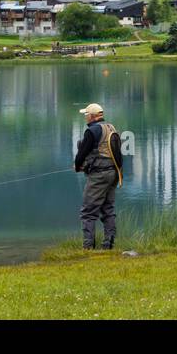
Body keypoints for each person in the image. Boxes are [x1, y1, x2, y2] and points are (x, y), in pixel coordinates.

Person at [73, 103, 122, 250]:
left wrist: (77, 166)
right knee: (108, 209)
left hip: (99, 175)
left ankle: (88, 246)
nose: (85, 117)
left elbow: (82, 153)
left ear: (92, 116)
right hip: (113, 173)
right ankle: (109, 243)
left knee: (88, 211)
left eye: (86, 115)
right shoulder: (111, 127)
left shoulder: (92, 131)